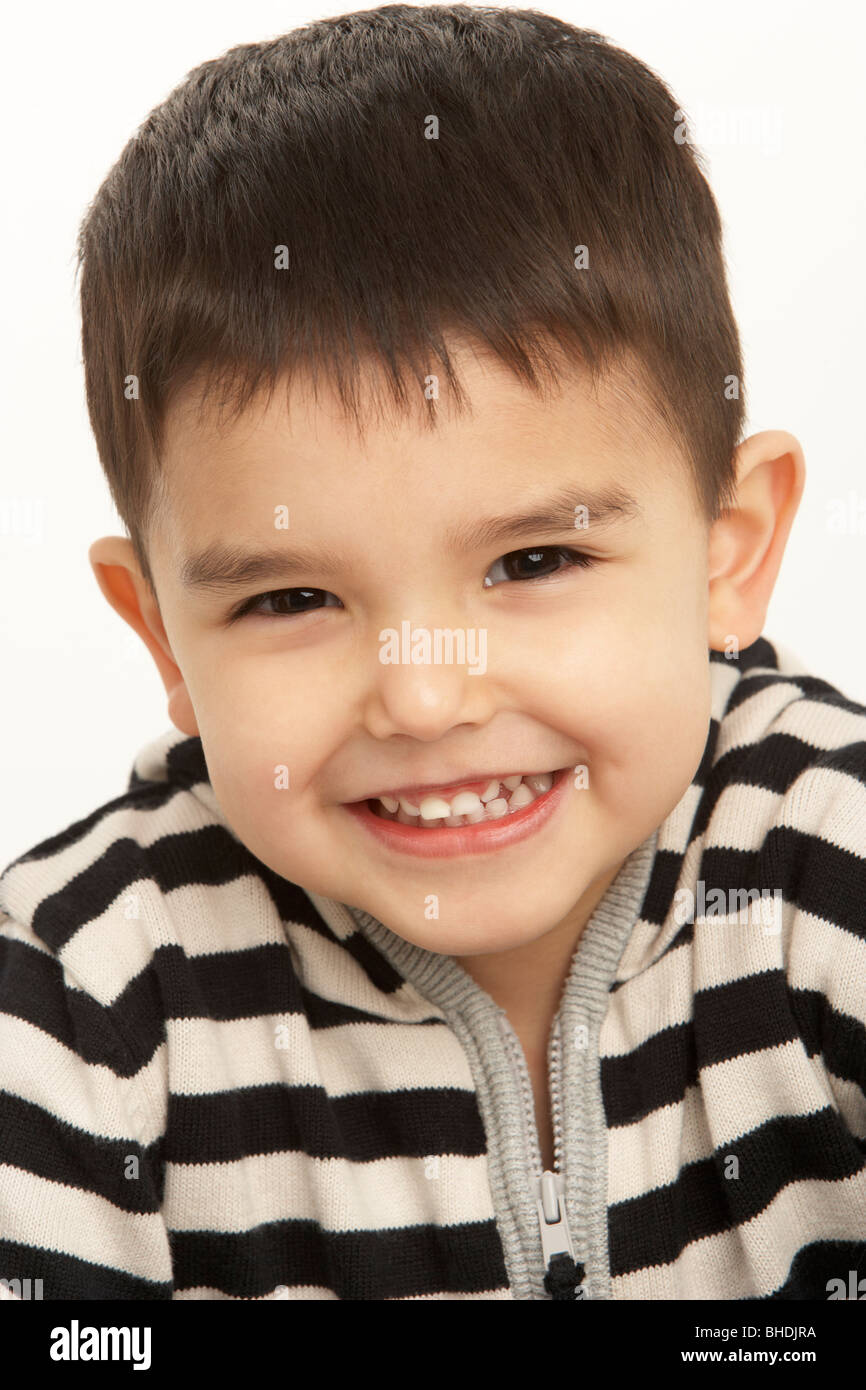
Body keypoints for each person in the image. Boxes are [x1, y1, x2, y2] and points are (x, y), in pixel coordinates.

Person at [1, 4, 863, 1301]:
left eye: (531, 563)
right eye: (290, 597)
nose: (421, 693)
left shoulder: (828, 870)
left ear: (724, 552)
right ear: (161, 635)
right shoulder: (75, 999)